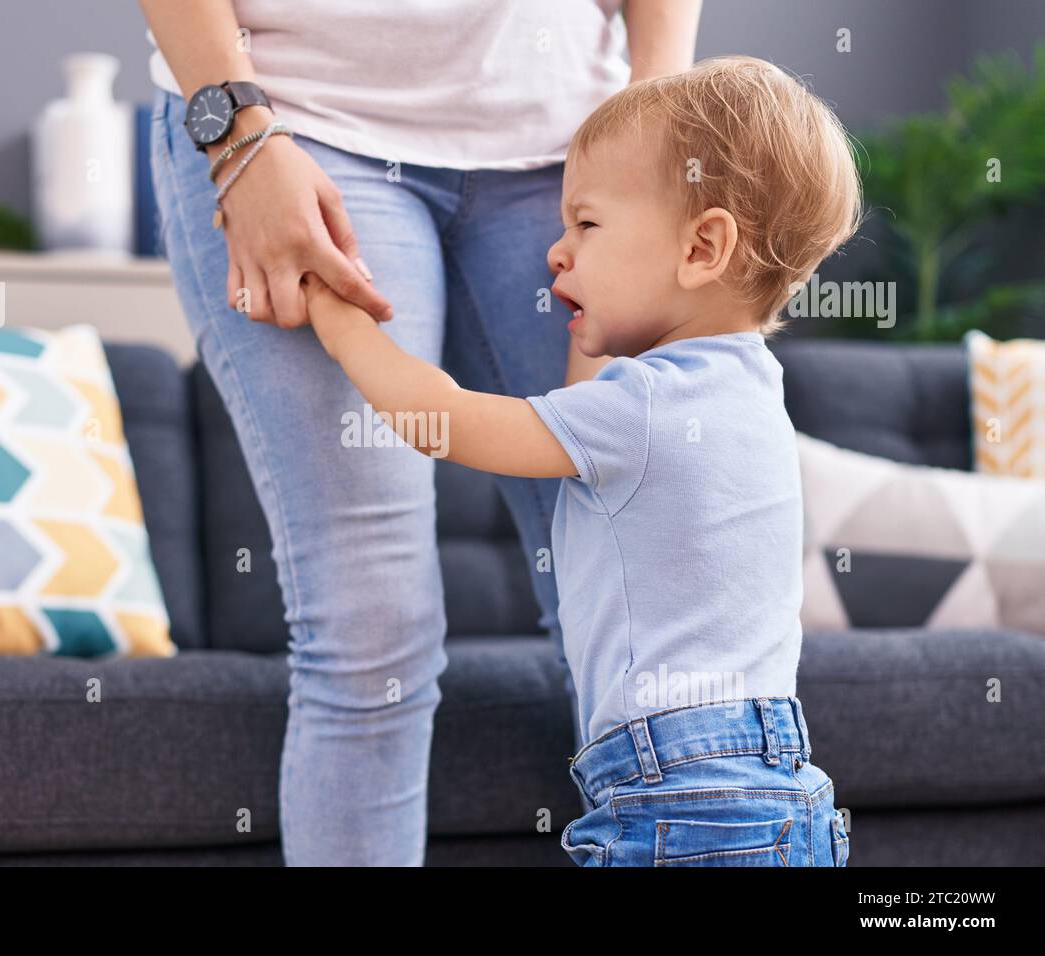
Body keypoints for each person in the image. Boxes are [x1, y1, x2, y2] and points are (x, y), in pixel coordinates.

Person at [141, 0, 703, 866]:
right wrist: (239, 136)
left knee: (633, 628)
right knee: (371, 634)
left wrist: (654, 125)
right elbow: (426, 414)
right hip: (293, 124)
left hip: (572, 146)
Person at [299, 55, 861, 866]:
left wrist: (339, 314)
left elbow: (444, 421)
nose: (556, 254)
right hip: (782, 790)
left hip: (679, 801)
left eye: (586, 225)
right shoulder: (751, 390)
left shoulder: (641, 407)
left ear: (702, 247)